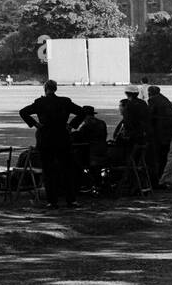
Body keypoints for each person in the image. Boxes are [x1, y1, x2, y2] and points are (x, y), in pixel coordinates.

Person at [18, 79, 84, 208]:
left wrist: (35, 124)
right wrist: (71, 125)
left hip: (46, 138)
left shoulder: (40, 102)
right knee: (67, 169)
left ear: (45, 89)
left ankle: (52, 201)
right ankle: (71, 200)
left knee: (48, 171)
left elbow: (23, 112)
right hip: (62, 137)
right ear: (56, 88)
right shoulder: (65, 101)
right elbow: (82, 112)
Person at [69, 105, 108, 191]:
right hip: (102, 152)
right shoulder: (102, 123)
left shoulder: (86, 124)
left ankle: (78, 184)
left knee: (73, 159)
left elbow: (78, 137)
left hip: (90, 154)